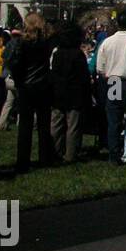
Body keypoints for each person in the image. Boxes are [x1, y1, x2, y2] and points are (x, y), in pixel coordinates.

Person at [11, 13, 58, 174]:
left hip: (26, 86)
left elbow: (17, 64)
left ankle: (22, 161)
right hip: (43, 85)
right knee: (44, 126)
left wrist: (19, 81)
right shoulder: (47, 42)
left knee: (25, 126)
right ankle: (45, 158)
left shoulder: (22, 43)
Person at [96, 11, 126, 165]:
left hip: (113, 81)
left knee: (114, 120)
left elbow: (100, 68)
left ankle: (114, 155)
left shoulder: (107, 42)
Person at [49, 23, 91, 164]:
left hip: (58, 92)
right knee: (73, 126)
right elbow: (84, 76)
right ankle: (70, 154)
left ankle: (55, 151)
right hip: (74, 93)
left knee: (57, 124)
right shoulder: (78, 55)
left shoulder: (57, 53)